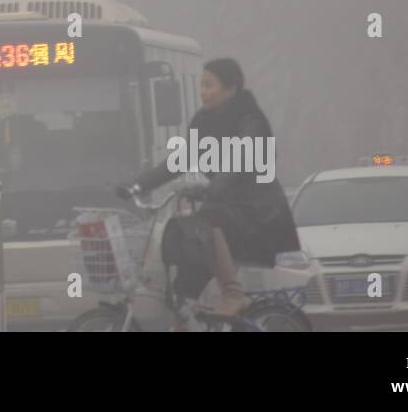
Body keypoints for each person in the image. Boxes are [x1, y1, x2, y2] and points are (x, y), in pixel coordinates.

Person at [127, 58, 300, 319]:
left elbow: (240, 158)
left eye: (209, 85)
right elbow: (179, 161)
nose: (202, 92)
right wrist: (137, 184)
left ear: (231, 88)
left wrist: (213, 188)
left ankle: (233, 293)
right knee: (183, 288)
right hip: (226, 211)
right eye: (201, 86)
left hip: (256, 213)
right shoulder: (204, 123)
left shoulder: (250, 120)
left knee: (204, 222)